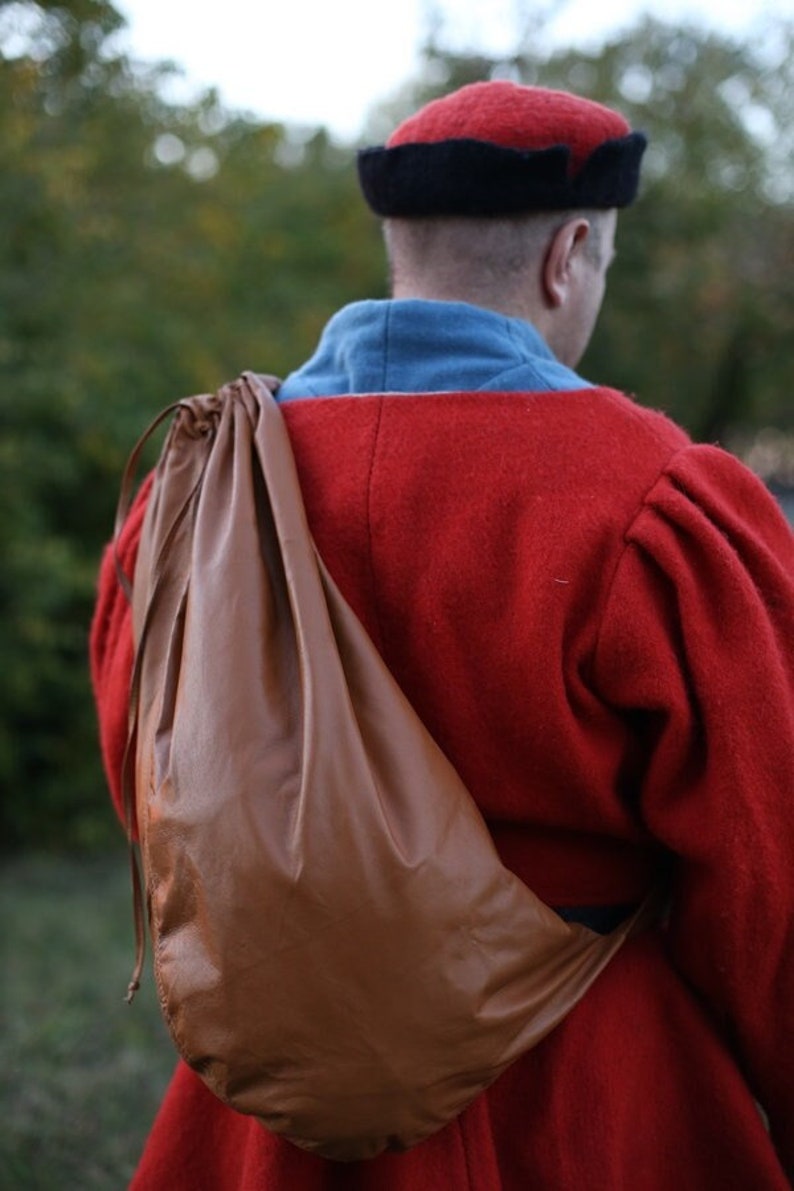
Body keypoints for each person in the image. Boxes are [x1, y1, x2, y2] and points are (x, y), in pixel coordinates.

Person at [90, 80, 794, 1189]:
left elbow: (149, 784)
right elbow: (765, 874)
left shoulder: (199, 488)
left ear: (400, 243)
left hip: (276, 1104)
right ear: (568, 255)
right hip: (583, 1087)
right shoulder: (653, 496)